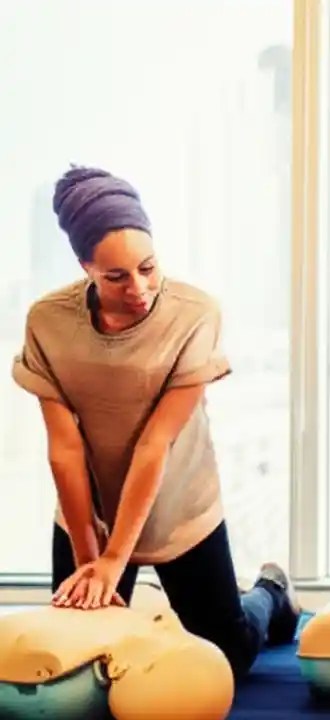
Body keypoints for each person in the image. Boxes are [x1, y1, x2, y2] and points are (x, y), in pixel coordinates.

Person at [11, 166, 301, 679]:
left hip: (178, 509)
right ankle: (138, 599)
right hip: (90, 516)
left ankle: (272, 593)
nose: (140, 288)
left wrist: (116, 559)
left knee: (227, 656)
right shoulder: (48, 321)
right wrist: (90, 560)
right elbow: (65, 449)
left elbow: (156, 443)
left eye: (148, 267)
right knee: (82, 662)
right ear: (85, 268)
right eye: (117, 277)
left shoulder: (194, 314)